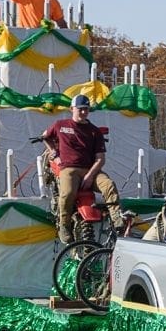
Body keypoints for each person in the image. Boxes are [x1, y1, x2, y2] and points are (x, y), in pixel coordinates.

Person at [42, 94, 122, 243]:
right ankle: (64, 225)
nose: (84, 112)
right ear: (72, 109)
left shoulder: (94, 131)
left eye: (86, 109)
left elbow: (100, 158)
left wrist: (90, 176)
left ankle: (116, 217)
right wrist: (53, 151)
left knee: (109, 184)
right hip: (69, 169)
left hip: (90, 169)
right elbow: (45, 136)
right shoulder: (60, 125)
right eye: (80, 109)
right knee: (67, 193)